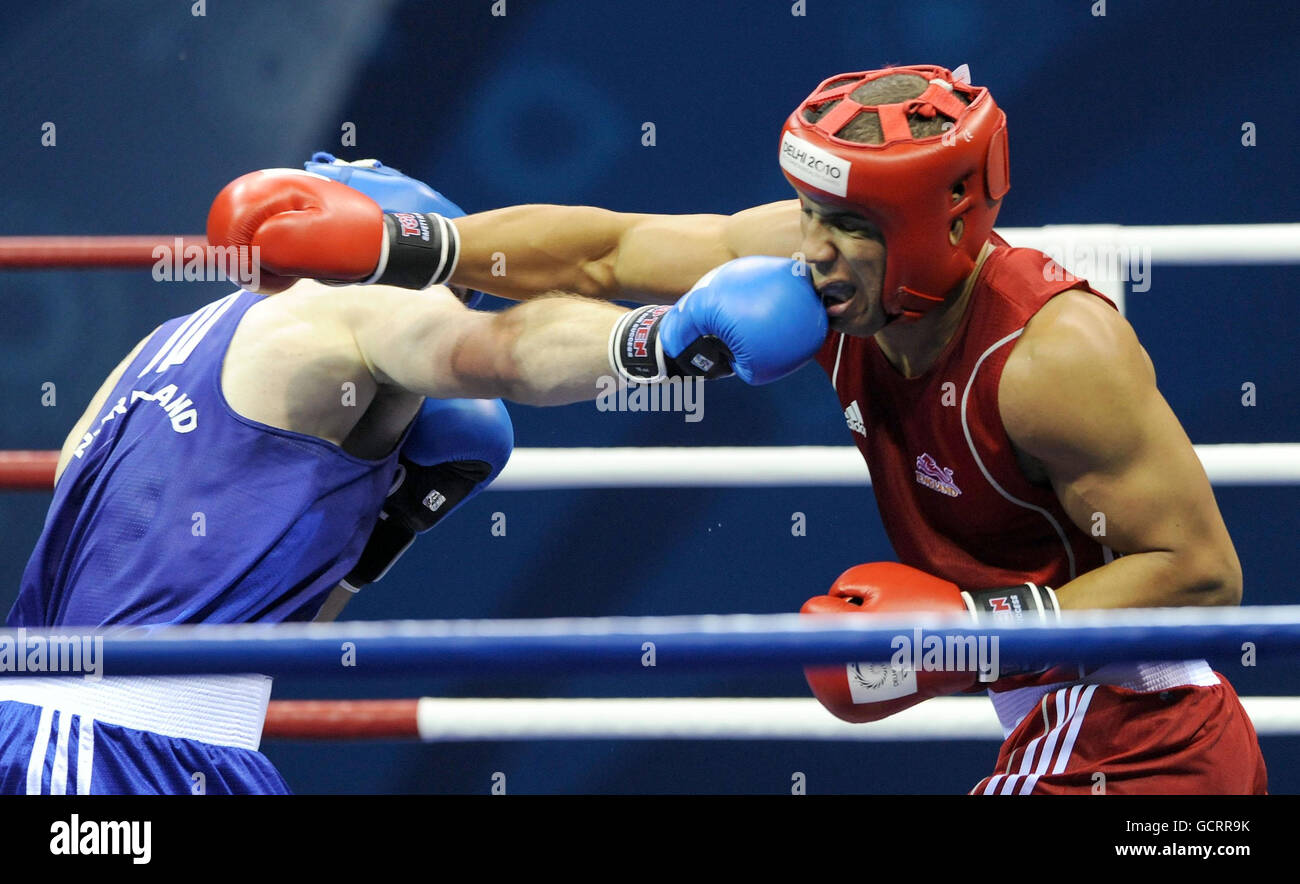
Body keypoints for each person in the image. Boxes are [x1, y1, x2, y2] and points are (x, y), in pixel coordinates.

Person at [384, 64, 1265, 794]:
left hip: (1151, 742)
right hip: (1060, 731)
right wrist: (407, 247)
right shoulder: (813, 275)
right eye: (808, 209)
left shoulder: (1051, 356)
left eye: (849, 222)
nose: (812, 246)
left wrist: (967, 631)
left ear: (947, 221)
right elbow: (608, 250)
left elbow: (1200, 577)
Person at [0, 157, 828, 794]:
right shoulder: (357, 307)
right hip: (108, 753)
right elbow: (506, 355)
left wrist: (379, 531)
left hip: (87, 732)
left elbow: (212, 607)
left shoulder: (162, 346)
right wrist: (666, 342)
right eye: (456, 291)